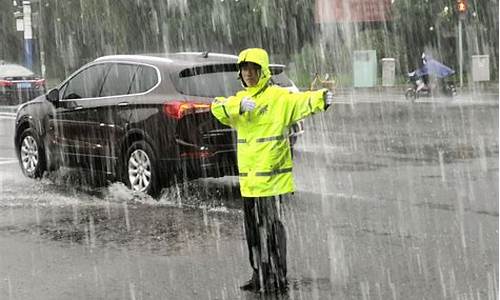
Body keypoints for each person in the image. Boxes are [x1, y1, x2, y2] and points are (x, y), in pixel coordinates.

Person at [211, 48, 333, 293]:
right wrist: (238, 106)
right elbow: (217, 107)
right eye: (244, 69)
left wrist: (321, 97)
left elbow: (302, 101)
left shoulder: (278, 98)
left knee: (272, 232)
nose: (248, 74)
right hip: (249, 183)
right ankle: (258, 275)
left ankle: (277, 277)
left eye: (252, 69)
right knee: (253, 234)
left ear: (262, 70)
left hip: (272, 181)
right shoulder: (240, 100)